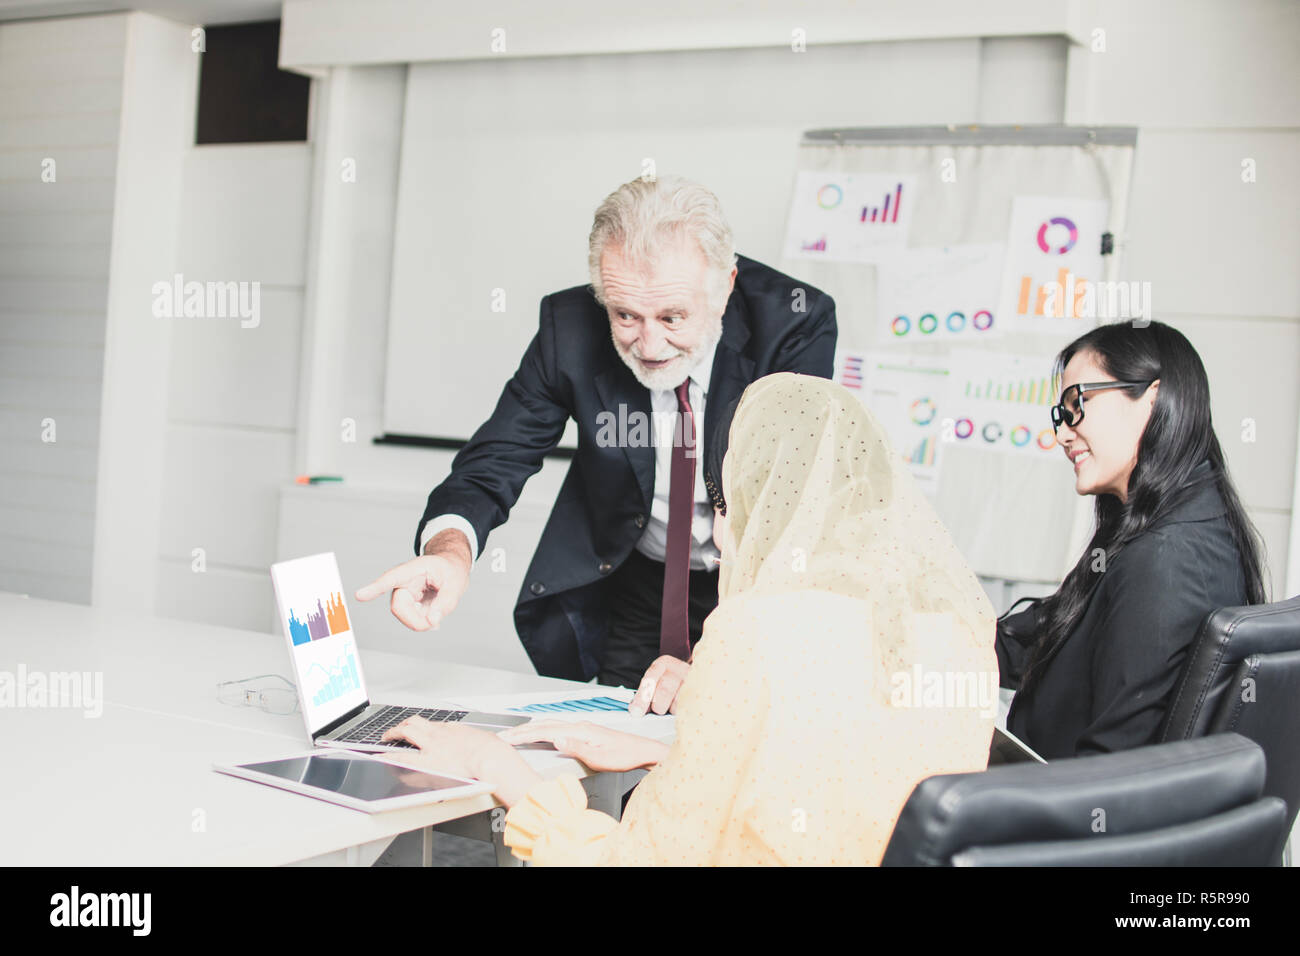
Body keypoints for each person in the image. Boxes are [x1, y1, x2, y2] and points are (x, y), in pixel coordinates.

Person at [379, 373, 999, 865]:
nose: (721, 539)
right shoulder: (958, 631)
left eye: (724, 505)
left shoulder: (756, 636)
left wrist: (495, 765)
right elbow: (837, 791)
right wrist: (665, 759)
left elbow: (631, 863)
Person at [356, 176, 837, 685]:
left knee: (733, 747)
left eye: (672, 317)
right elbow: (496, 458)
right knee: (619, 737)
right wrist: (449, 554)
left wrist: (712, 660)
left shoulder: (793, 324)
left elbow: (791, 500)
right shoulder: (570, 328)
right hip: (638, 584)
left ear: (725, 289)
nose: (649, 346)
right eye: (625, 314)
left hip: (757, 588)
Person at [996, 320, 1267, 759]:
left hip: (1064, 816)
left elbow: (1113, 768)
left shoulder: (1166, 559)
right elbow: (1050, 632)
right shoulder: (1170, 521)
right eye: (1060, 416)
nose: (1062, 433)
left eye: (1076, 403)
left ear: (1152, 399)